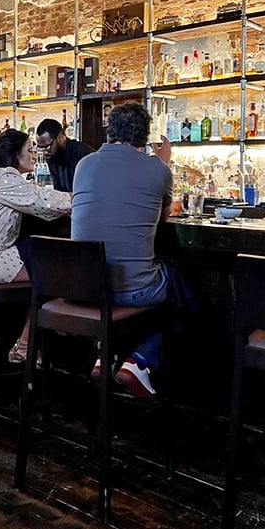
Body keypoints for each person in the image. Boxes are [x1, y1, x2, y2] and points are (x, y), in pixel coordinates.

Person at [71, 101, 191, 401]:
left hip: (82, 290)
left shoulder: (84, 165)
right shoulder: (157, 170)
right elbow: (162, 219)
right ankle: (139, 361)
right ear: (144, 135)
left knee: (151, 279)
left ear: (109, 132)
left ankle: (106, 353)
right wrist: (163, 163)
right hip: (130, 292)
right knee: (183, 291)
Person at [0, 128, 71, 362]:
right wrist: (86, 196)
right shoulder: (5, 178)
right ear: (14, 154)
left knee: (42, 257)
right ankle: (33, 344)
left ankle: (27, 343)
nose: (33, 154)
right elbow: (46, 203)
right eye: (29, 149)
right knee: (53, 270)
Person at [34, 118, 94, 193]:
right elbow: (58, 188)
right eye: (40, 148)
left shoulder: (81, 153)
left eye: (47, 147)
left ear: (61, 138)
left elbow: (89, 188)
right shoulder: (52, 155)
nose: (45, 152)